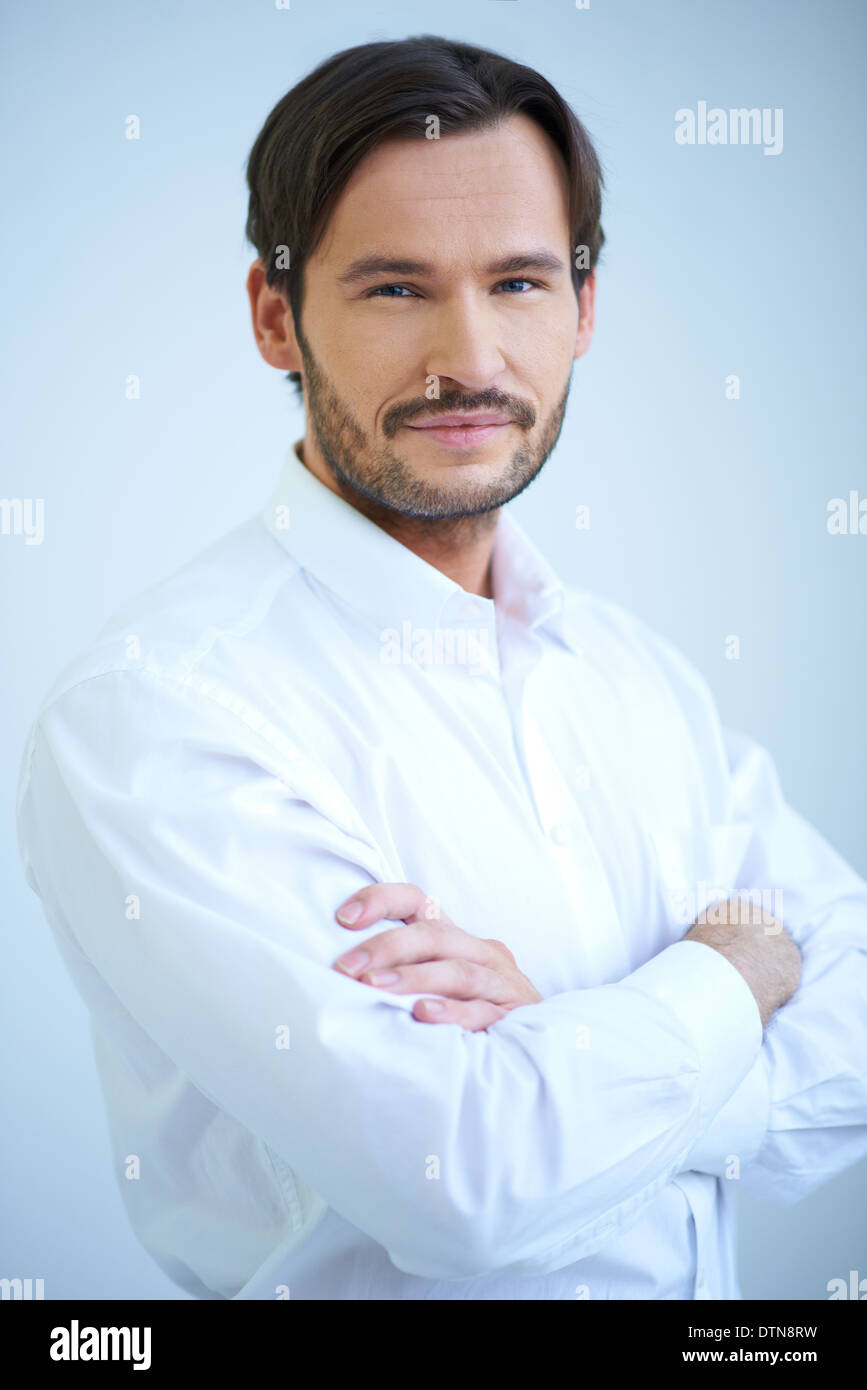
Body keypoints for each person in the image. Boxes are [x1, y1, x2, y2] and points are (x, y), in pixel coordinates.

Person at [16, 35, 867, 1301]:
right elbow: (468, 1186)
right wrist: (735, 969)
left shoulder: (633, 675)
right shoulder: (153, 713)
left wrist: (563, 1050)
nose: (469, 359)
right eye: (396, 289)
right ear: (274, 316)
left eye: (519, 283)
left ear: (584, 309)